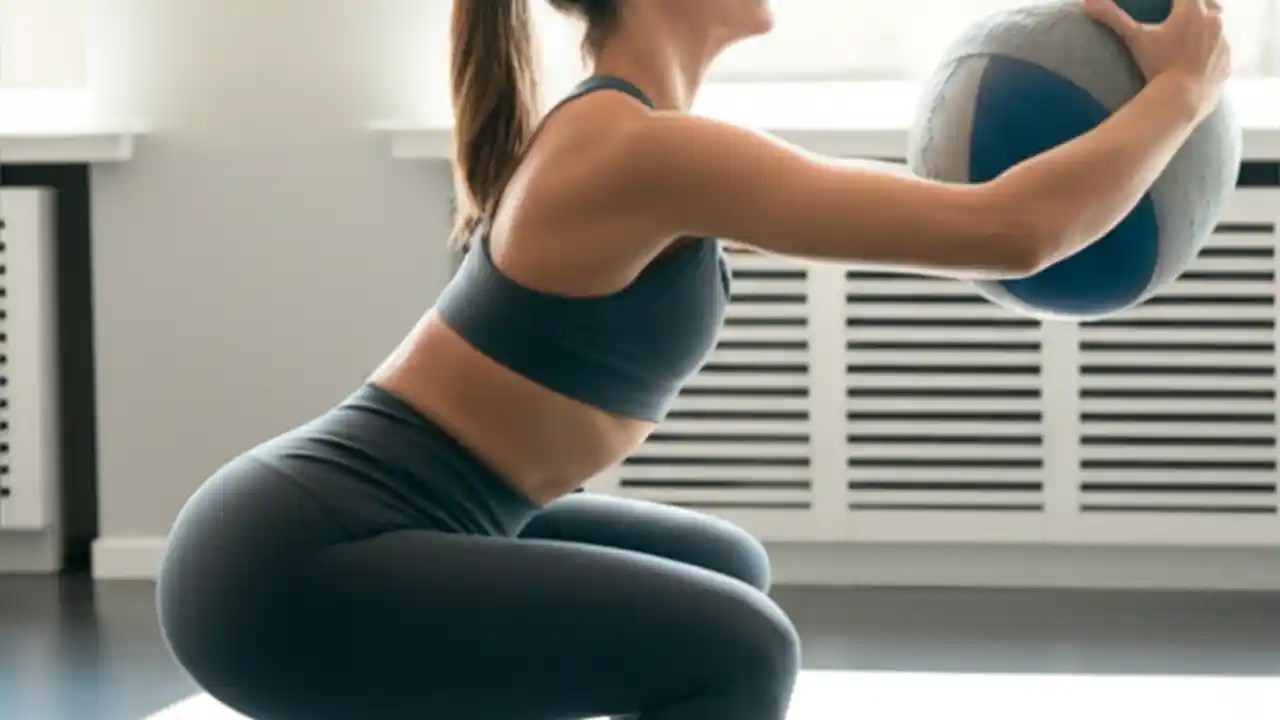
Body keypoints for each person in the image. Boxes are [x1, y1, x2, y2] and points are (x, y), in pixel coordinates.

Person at [155, 1, 1231, 718]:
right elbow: (1007, 233)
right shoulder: (640, 152)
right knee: (740, 651)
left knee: (723, 574)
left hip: (383, 523)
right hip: (284, 570)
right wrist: (1180, 90)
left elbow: (966, 220)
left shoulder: (648, 140)